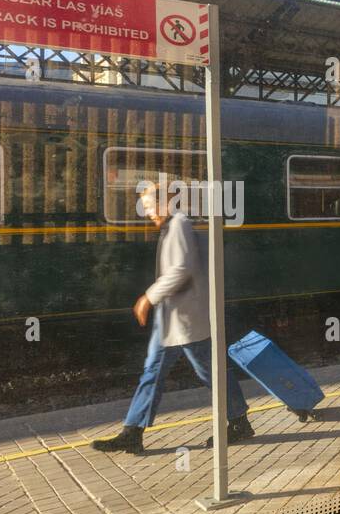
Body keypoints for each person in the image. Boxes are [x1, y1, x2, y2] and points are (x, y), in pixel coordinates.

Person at [92, 181, 253, 456]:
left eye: (151, 207)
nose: (148, 213)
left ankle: (239, 422)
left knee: (210, 373)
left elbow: (181, 269)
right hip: (170, 320)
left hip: (186, 319)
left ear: (166, 202)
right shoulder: (171, 225)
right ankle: (133, 433)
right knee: (152, 374)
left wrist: (148, 298)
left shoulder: (179, 224)